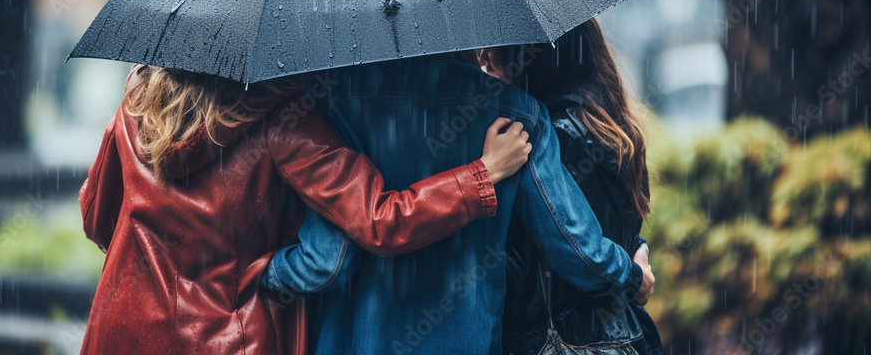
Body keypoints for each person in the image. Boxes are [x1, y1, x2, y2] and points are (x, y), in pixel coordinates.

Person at [78, 64, 532, 354]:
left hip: (119, 332)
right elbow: (379, 222)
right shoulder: (284, 120)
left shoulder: (137, 100)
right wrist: (482, 175)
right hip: (230, 340)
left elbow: (96, 218)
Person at [260, 49, 654, 354]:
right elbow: (575, 246)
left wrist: (258, 273)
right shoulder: (518, 115)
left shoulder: (328, 106)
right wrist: (630, 275)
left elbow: (328, 264)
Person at [503, 19, 663, 355]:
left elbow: (568, 245)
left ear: (533, 59)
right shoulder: (621, 130)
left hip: (566, 339)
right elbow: (624, 227)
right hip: (625, 334)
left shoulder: (550, 138)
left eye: (503, 54)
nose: (492, 62)